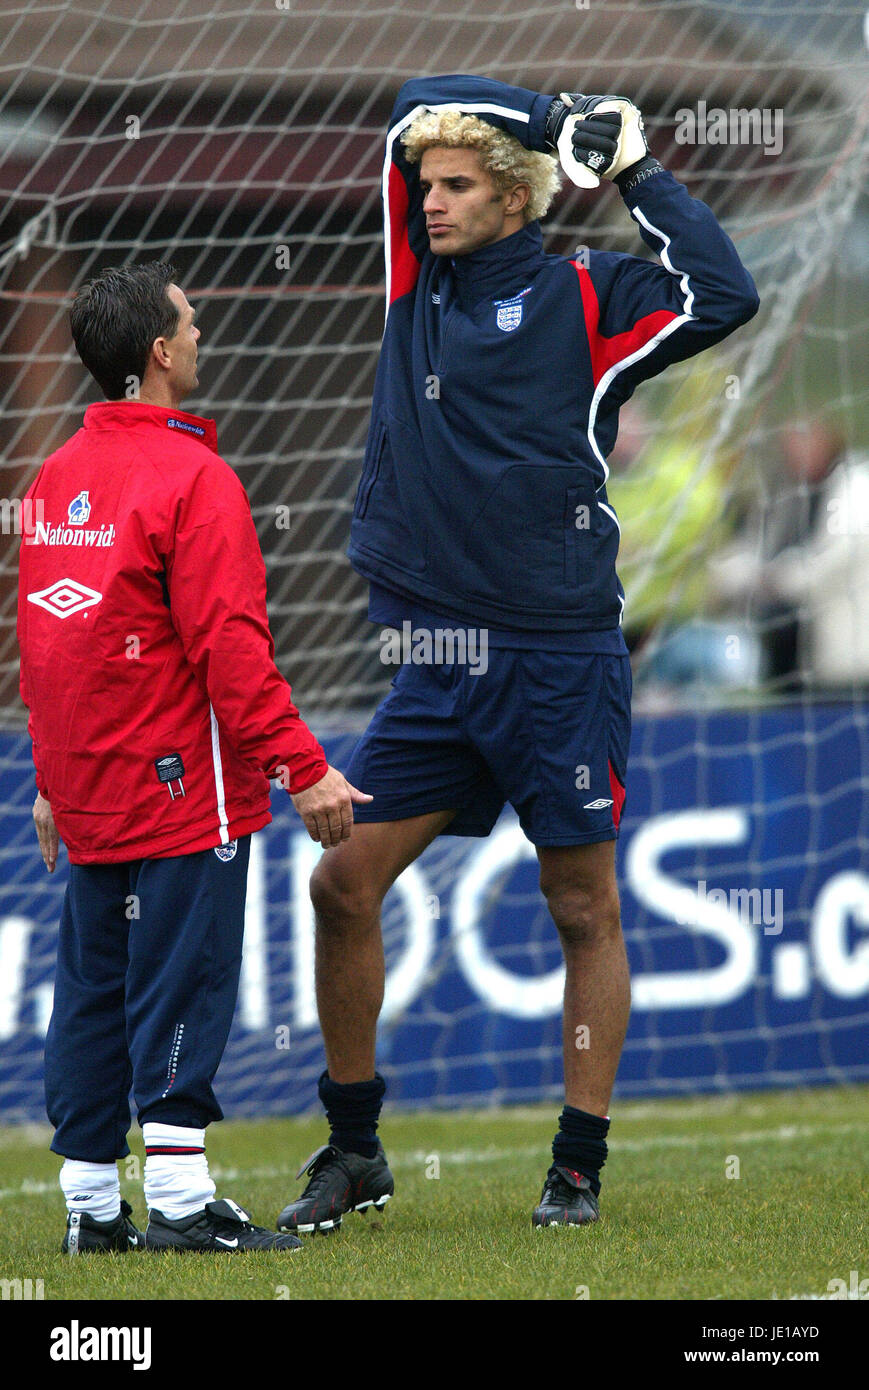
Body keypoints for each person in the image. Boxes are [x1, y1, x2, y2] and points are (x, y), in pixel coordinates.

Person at [275, 76, 759, 1235]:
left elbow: (724, 291)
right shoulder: (413, 285)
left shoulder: (588, 294)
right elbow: (404, 107)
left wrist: (635, 169)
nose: (427, 201)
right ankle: (354, 1148)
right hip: (440, 663)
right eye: (427, 186)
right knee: (340, 883)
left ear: (512, 200)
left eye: (453, 186)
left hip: (558, 654)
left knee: (578, 904)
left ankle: (575, 1165)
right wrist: (551, 112)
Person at [17, 261, 370, 1254]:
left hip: (87, 788)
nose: (203, 331)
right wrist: (303, 765)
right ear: (161, 353)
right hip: (183, 790)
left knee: (92, 989)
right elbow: (229, 650)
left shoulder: (52, 479)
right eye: (192, 320)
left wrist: (49, 776)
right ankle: (177, 1202)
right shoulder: (193, 478)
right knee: (182, 980)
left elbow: (41, 642)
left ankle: (91, 1211)